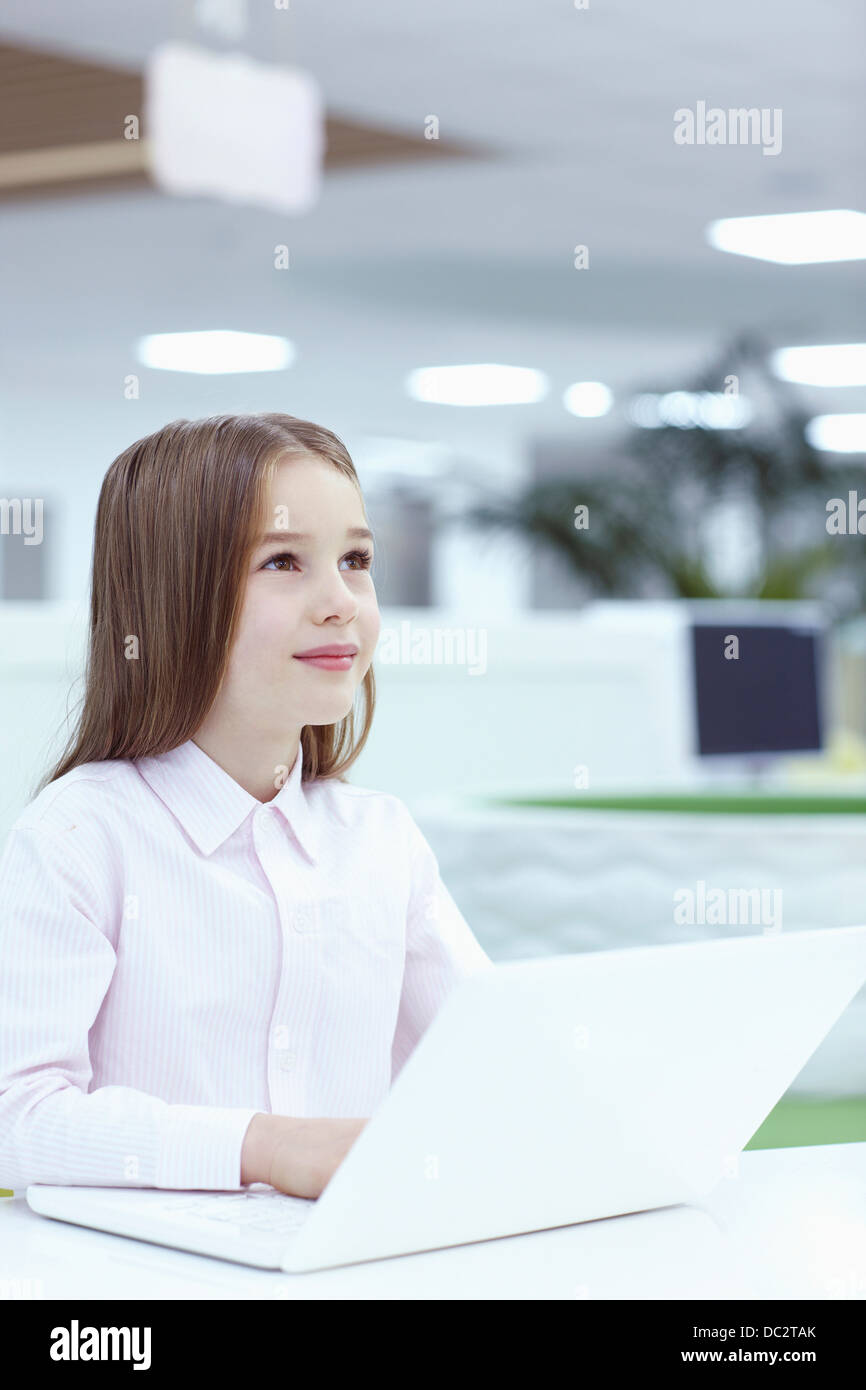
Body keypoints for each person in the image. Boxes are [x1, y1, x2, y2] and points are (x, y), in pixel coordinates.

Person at [0, 412, 492, 1200]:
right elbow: (15, 1121)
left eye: (356, 560)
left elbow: (491, 1065)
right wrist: (262, 1147)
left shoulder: (381, 840)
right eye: (284, 562)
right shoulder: (78, 836)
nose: (340, 602)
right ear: (173, 597)